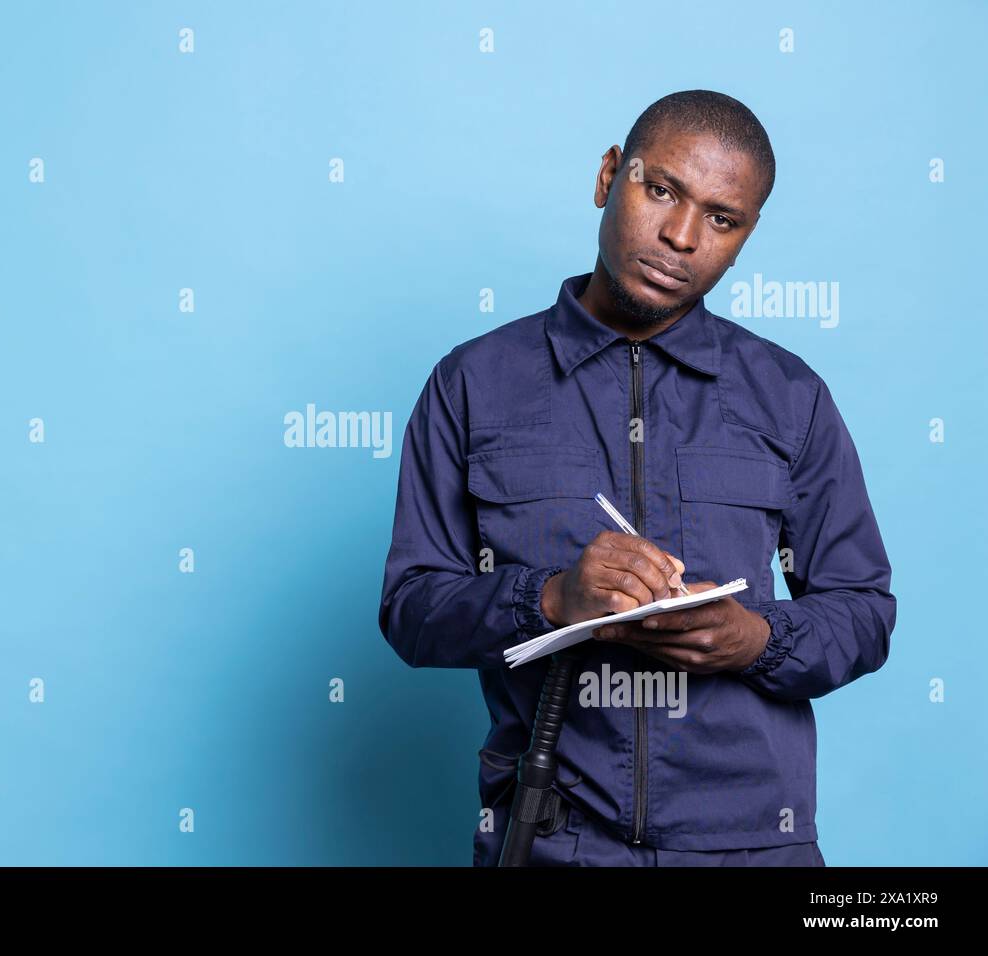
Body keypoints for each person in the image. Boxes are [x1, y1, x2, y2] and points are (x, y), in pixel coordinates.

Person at [376, 90, 896, 867]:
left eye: (722, 219)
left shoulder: (790, 397)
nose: (682, 237)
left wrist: (755, 639)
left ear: (746, 234)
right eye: (662, 191)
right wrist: (551, 600)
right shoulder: (472, 385)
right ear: (609, 176)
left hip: (754, 845)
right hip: (553, 841)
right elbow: (412, 610)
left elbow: (864, 611)